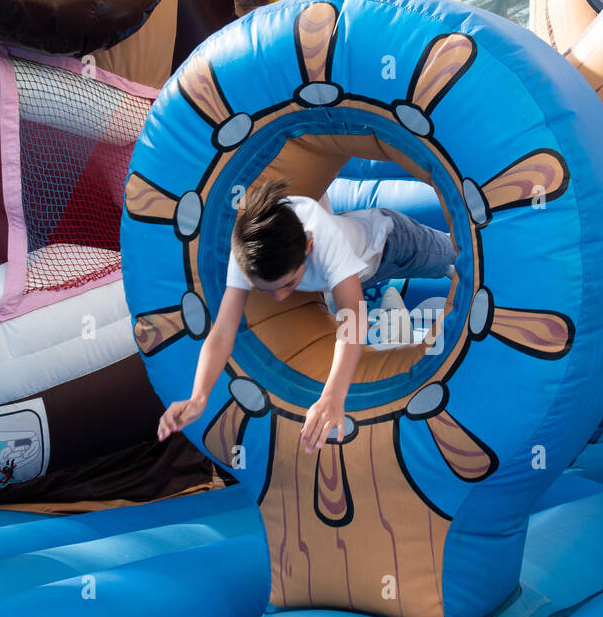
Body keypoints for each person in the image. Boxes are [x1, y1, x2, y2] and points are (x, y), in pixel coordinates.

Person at [156, 178, 456, 452]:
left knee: (451, 257)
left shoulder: (322, 237)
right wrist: (199, 397)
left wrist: (333, 396)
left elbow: (354, 313)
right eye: (267, 290)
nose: (281, 298)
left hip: (390, 244)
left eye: (288, 284)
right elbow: (223, 329)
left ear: (309, 247)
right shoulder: (248, 252)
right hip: (345, 274)